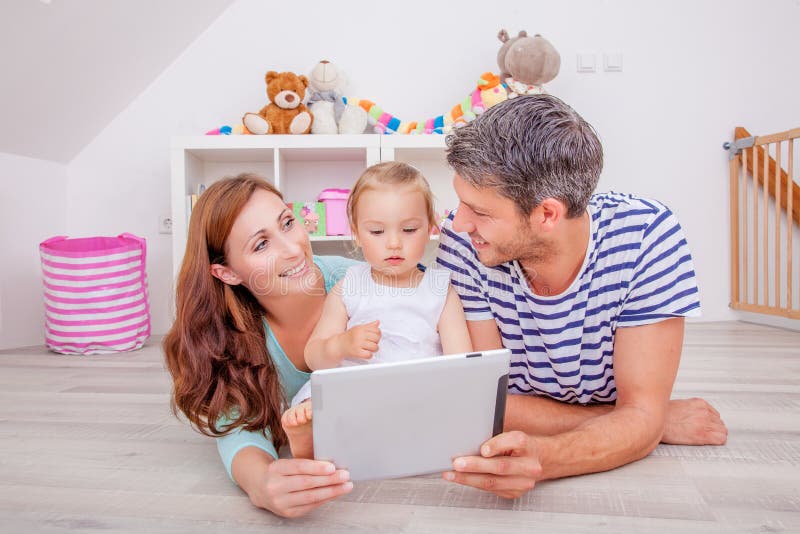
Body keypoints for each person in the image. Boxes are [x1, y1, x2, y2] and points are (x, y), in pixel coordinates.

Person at [435, 94, 729, 499]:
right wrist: (646, 420)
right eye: (461, 203)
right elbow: (486, 402)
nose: (459, 222)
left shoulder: (645, 235)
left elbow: (640, 415)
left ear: (547, 214)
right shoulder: (465, 239)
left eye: (481, 212)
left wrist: (550, 454)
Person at [162, 174, 357, 518]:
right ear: (227, 274)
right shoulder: (231, 339)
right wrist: (262, 483)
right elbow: (240, 430)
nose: (294, 248)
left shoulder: (356, 283)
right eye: (261, 245)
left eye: (287, 223)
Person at [281, 161, 472, 459]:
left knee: (444, 410)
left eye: (409, 229)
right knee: (321, 397)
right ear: (357, 234)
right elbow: (313, 356)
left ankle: (369, 442)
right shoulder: (348, 288)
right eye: (377, 231)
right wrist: (341, 344)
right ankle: (311, 439)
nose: (394, 243)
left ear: (430, 230)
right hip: (356, 391)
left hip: (413, 396)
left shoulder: (441, 291)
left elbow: (462, 364)